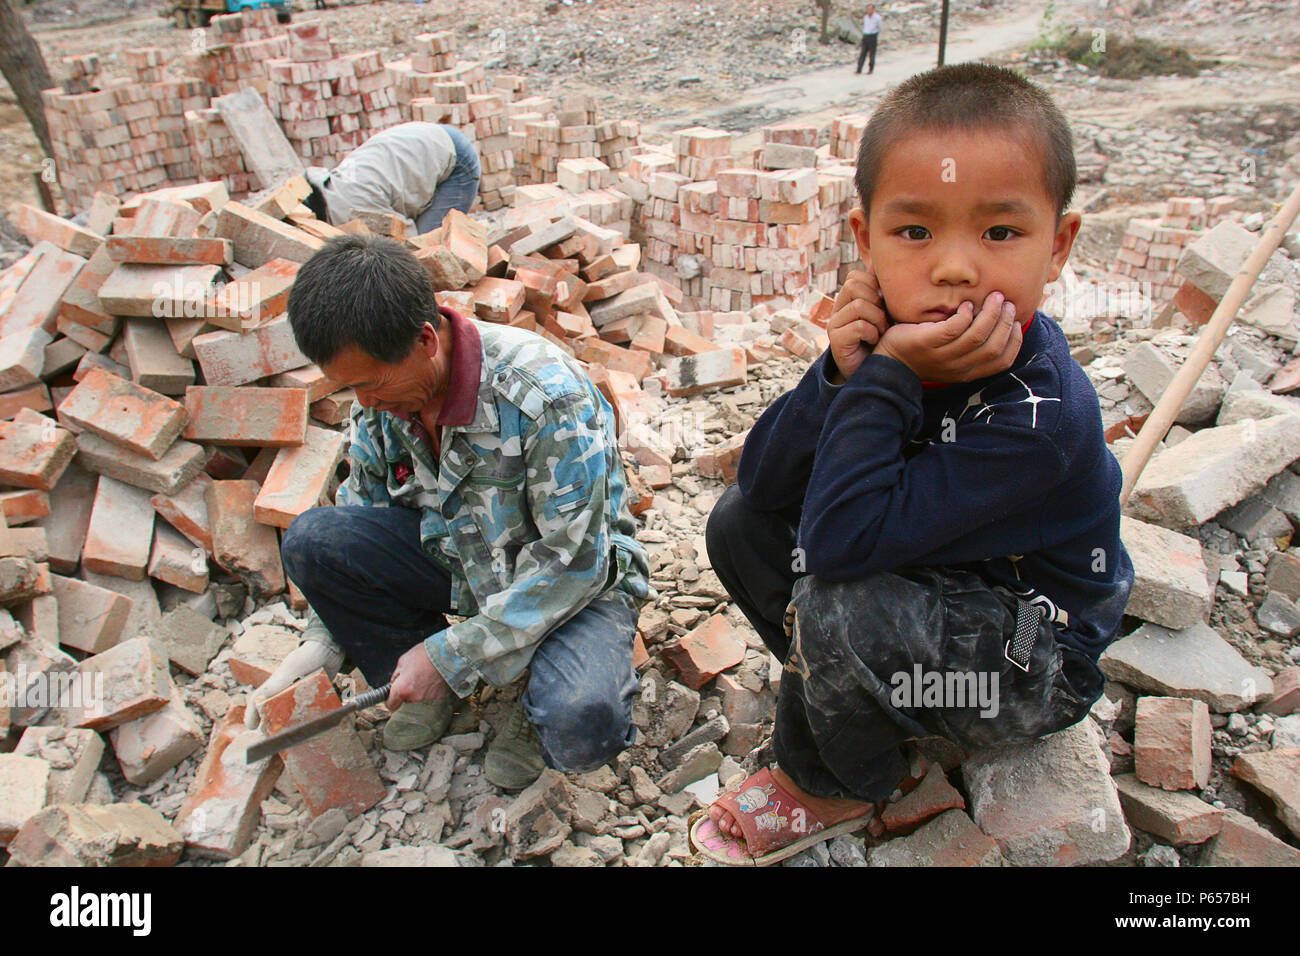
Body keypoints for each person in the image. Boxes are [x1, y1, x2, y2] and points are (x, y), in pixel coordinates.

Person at [694, 63, 1134, 864]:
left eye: (1000, 232)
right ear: (865, 241)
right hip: (934, 578)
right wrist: (839, 374)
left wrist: (889, 373)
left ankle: (834, 781)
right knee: (740, 526)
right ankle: (862, 695)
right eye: (916, 232)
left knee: (841, 603)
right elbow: (760, 484)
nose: (955, 267)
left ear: (1058, 246)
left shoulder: (1041, 416)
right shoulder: (889, 346)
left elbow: (838, 548)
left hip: (1034, 650)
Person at [251, 235, 651, 791]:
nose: (363, 402)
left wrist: (453, 654)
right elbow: (359, 512)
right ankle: (410, 674)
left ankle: (525, 698)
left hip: (573, 583)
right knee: (314, 540)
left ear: (424, 340)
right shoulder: (383, 400)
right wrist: (321, 643)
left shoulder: (543, 394)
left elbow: (576, 562)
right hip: (462, 562)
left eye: (369, 384)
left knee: (582, 724)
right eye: (350, 387)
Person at [303, 122, 482, 236]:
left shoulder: (351, 209)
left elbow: (404, 239)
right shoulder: (330, 185)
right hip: (431, 137)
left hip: (457, 161)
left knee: (425, 248)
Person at [856, 4, 882, 75]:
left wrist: (875, 34)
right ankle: (859, 69)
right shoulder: (865, 17)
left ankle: (870, 70)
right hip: (866, 36)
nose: (869, 11)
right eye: (868, 9)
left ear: (873, 9)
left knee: (872, 54)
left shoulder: (877, 18)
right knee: (862, 53)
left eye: (870, 9)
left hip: (873, 36)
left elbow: (879, 27)